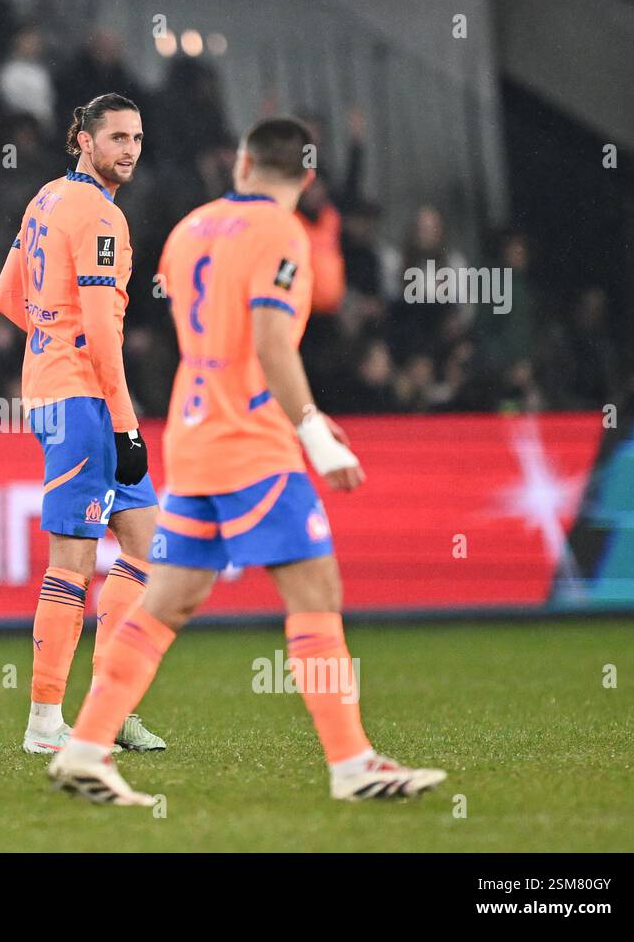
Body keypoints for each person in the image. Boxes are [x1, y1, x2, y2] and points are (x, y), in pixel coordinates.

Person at [49, 116, 447, 805]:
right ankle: (352, 763)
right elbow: (269, 341)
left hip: (193, 434)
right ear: (308, 177)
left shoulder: (189, 230)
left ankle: (85, 746)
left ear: (241, 164)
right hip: (253, 441)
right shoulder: (283, 234)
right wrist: (315, 434)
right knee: (315, 597)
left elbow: (196, 330)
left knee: (170, 602)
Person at [0, 93, 165, 755]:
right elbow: (97, 330)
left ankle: (109, 707)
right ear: (82, 141)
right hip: (84, 404)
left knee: (145, 543)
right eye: (116, 137)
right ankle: (43, 724)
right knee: (74, 559)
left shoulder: (45, 199)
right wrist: (124, 422)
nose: (129, 150)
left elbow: (8, 297)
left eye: (137, 138)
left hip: (65, 391)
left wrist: (48, 343)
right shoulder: (98, 215)